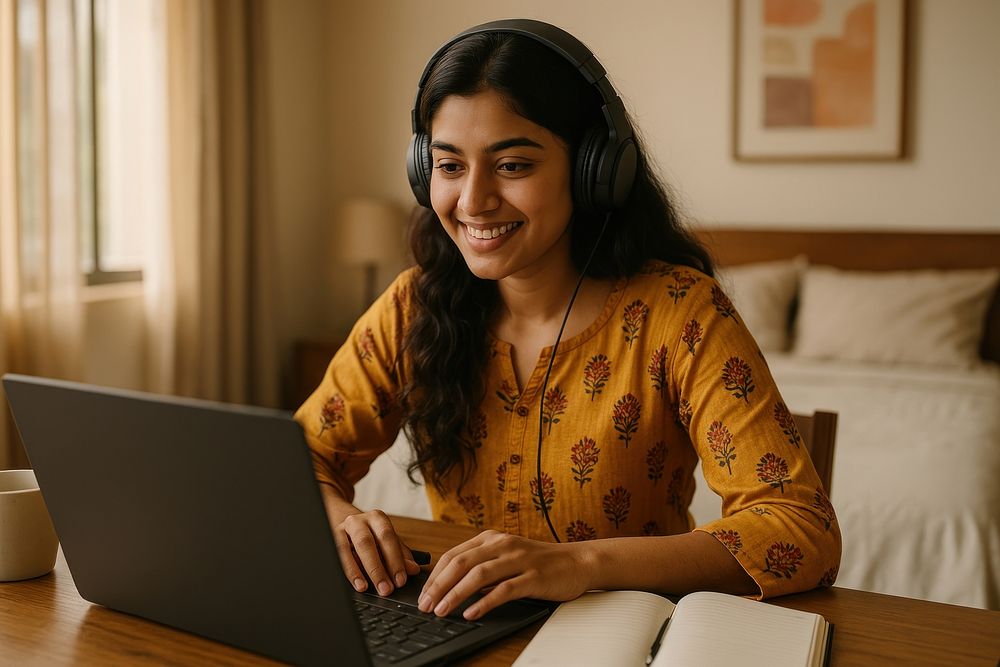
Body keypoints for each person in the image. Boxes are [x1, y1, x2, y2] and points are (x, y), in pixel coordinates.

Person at [295, 19, 841, 622]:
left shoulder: (681, 313)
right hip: (454, 628)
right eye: (450, 166)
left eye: (512, 166)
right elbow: (292, 465)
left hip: (619, 634)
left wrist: (580, 565)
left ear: (593, 170)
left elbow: (801, 529)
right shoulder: (412, 306)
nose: (473, 201)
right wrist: (342, 520)